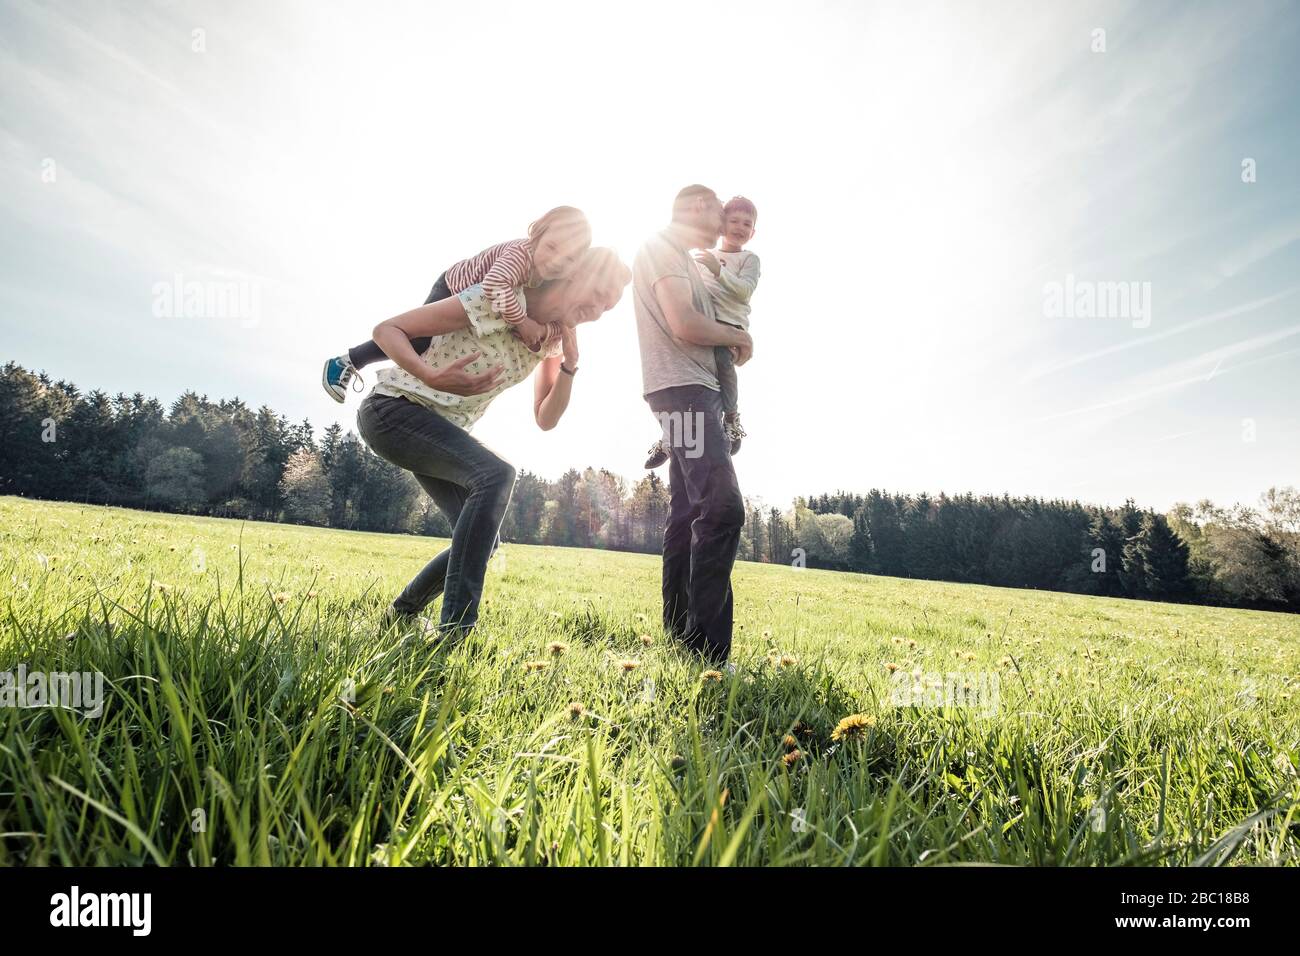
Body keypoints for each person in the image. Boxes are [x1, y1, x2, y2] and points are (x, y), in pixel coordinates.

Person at [356, 247, 629, 639]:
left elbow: (546, 418)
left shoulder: (553, 340)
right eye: (599, 293)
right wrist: (431, 375)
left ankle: (401, 615)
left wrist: (570, 364)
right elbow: (387, 330)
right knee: (496, 475)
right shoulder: (495, 298)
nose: (599, 309)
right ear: (573, 273)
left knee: (485, 540)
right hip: (393, 410)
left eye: (609, 305)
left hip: (435, 429)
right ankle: (455, 633)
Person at [632, 185, 753, 664]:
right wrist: (740, 336)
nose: (726, 224)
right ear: (700, 208)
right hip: (682, 392)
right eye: (721, 214)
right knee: (722, 507)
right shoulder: (663, 248)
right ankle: (706, 652)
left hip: (689, 390)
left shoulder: (684, 257)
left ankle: (680, 633)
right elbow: (683, 324)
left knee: (687, 512)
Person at [322, 206, 593, 402]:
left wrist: (545, 332)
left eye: (568, 260)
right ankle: (348, 361)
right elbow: (494, 286)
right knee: (418, 341)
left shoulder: (550, 276)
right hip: (454, 286)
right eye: (553, 248)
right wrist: (522, 322)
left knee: (429, 349)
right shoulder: (521, 255)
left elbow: (562, 322)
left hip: (472, 310)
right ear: (538, 235)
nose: (557, 261)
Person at [645, 195, 760, 466]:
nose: (740, 227)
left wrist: (718, 272)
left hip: (729, 326)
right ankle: (670, 436)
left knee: (721, 365)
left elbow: (744, 291)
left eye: (747, 224)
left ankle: (731, 418)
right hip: (703, 324)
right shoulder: (702, 256)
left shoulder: (749, 259)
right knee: (688, 379)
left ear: (753, 232)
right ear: (721, 224)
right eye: (734, 221)